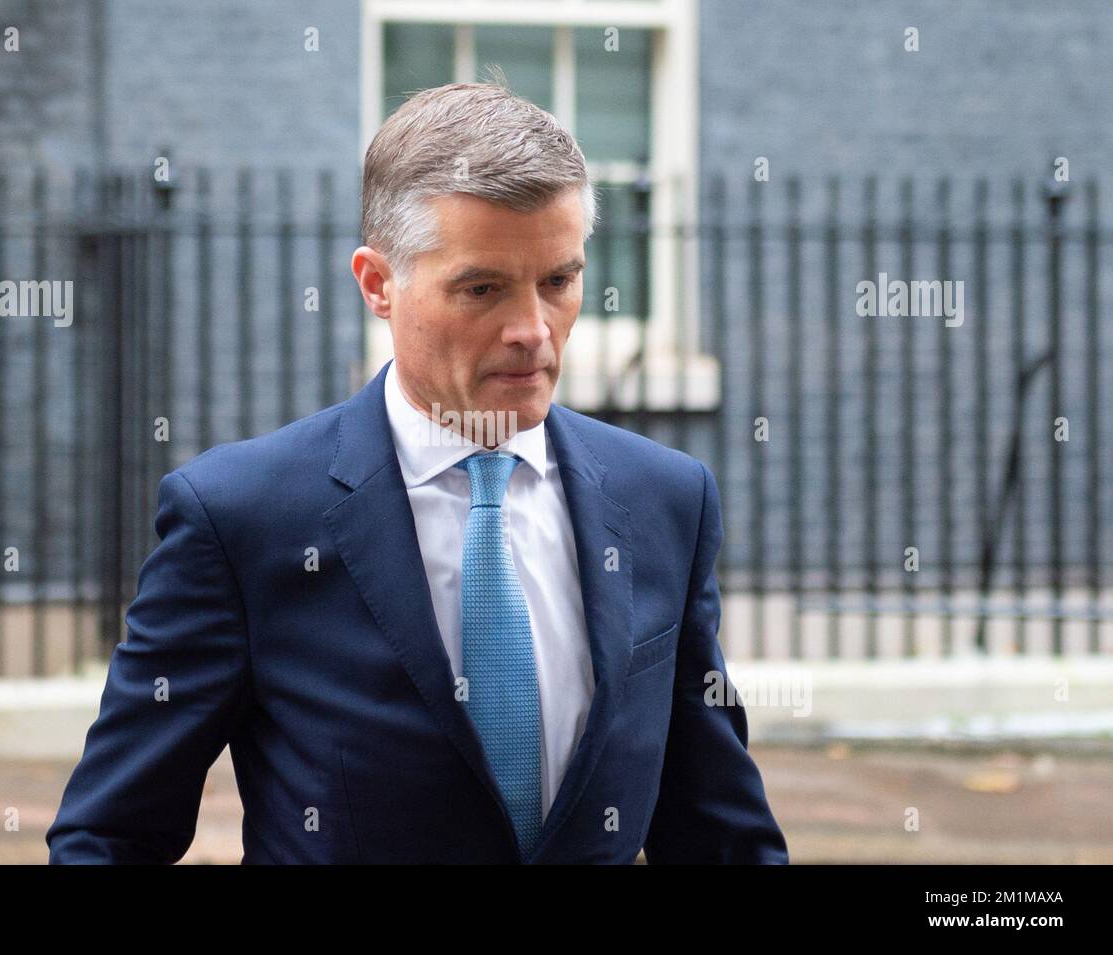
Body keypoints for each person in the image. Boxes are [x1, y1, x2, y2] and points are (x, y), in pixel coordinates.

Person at [46, 81, 788, 864]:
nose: (532, 330)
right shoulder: (241, 518)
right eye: (482, 288)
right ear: (377, 284)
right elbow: (109, 836)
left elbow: (721, 830)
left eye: (560, 282)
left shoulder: (666, 499)